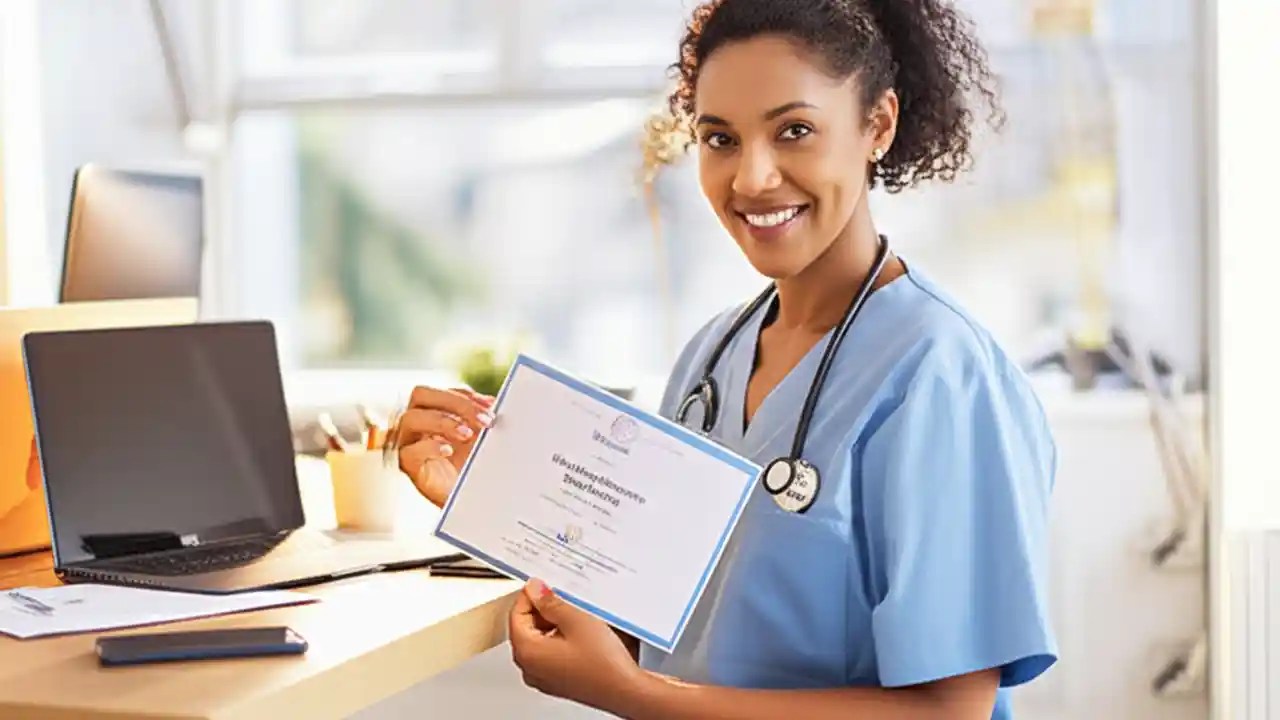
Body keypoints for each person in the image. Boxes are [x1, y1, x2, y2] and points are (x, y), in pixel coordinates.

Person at [396, 0, 1057, 717]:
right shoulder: (712, 357)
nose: (752, 179)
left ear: (879, 124)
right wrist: (493, 492)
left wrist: (632, 694)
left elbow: (946, 710)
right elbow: (660, 624)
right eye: (721, 139)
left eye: (794, 131)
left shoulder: (942, 376)